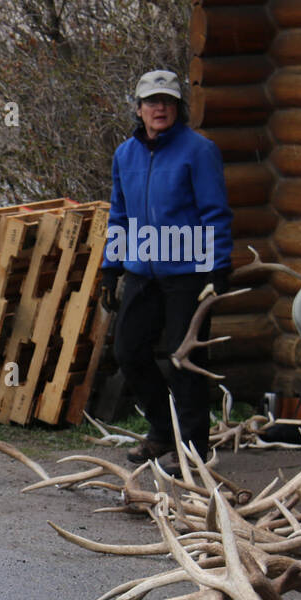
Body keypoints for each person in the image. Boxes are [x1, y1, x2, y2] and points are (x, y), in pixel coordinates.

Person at [100, 70, 233, 475]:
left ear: (178, 107)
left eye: (168, 101)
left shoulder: (199, 151)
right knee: (129, 352)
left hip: (188, 273)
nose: (160, 108)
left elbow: (216, 213)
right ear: (138, 108)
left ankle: (194, 449)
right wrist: (112, 267)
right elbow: (119, 214)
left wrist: (218, 268)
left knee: (183, 358)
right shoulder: (125, 155)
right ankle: (162, 429)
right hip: (143, 271)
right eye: (152, 101)